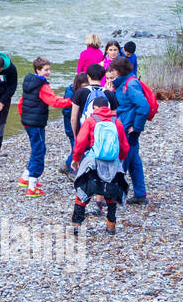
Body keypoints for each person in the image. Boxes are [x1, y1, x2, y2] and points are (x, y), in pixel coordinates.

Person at [70, 93, 130, 235]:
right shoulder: (117, 122)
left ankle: (76, 226)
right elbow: (124, 146)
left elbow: (80, 142)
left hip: (93, 162)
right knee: (111, 194)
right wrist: (119, 160)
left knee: (83, 192)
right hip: (112, 163)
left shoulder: (91, 121)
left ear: (94, 107)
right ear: (108, 107)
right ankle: (111, 226)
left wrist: (76, 158)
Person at [16, 58, 72, 196]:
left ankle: (25, 177)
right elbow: (54, 101)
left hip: (28, 122)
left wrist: (24, 118)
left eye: (49, 69)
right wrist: (71, 101)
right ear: (38, 70)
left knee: (37, 148)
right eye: (46, 70)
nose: (49, 72)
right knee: (39, 150)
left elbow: (20, 103)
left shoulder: (29, 83)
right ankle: (32, 186)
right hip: (36, 122)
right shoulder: (42, 86)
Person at [110, 56, 150, 204]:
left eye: (113, 69)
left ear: (120, 70)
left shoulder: (131, 83)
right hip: (126, 127)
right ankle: (140, 195)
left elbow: (143, 106)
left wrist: (136, 127)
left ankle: (118, 195)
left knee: (124, 161)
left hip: (128, 129)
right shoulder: (123, 83)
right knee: (134, 162)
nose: (111, 72)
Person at [59, 71, 87, 174]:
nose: (85, 88)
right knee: (76, 148)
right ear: (78, 84)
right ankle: (71, 170)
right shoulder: (70, 92)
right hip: (71, 126)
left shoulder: (82, 92)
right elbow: (66, 111)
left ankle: (67, 164)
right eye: (84, 86)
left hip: (79, 124)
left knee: (77, 148)